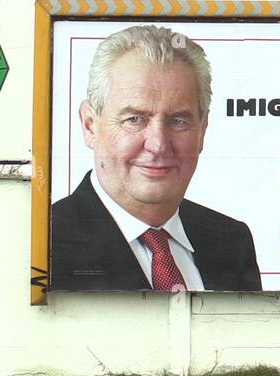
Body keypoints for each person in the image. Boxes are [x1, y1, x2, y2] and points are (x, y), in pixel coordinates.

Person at [51, 24, 262, 292]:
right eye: (134, 119)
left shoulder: (232, 241)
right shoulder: (43, 245)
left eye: (178, 120)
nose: (158, 144)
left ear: (203, 130)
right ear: (90, 125)